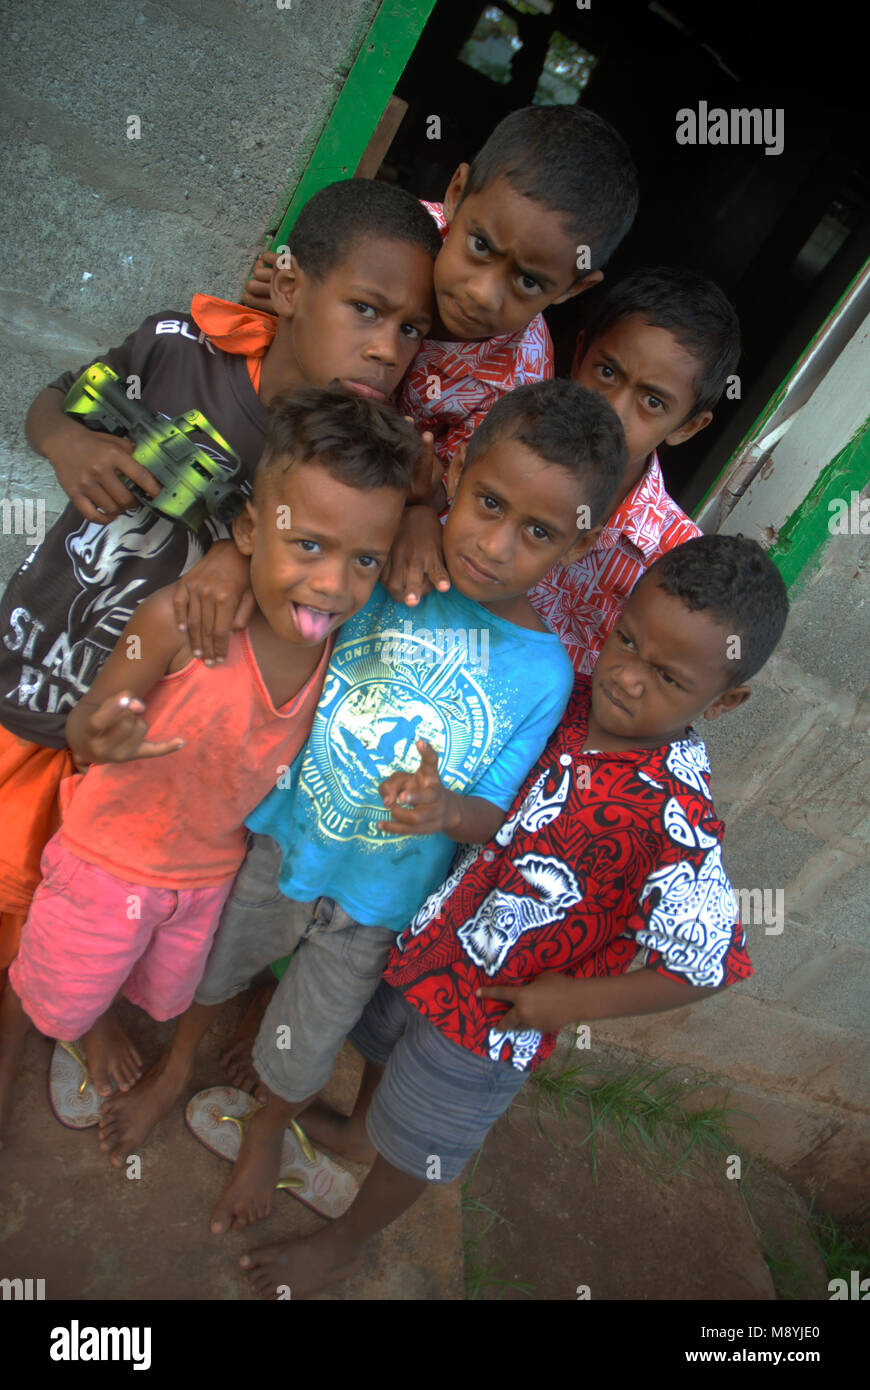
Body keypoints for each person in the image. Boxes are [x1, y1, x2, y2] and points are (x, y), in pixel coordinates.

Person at [96, 379, 626, 1227]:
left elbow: (496, 816)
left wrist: (445, 809)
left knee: (309, 1038)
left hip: (378, 899)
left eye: (536, 532)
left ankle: (270, 1128)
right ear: (452, 479)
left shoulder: (545, 672)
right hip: (284, 839)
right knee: (217, 967)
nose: (493, 543)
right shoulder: (386, 572)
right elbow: (300, 563)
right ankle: (174, 1070)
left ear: (576, 548)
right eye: (486, 503)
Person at [230, 533, 790, 1299]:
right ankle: (362, 1132)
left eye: (666, 676)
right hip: (432, 944)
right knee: (382, 1047)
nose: (627, 675)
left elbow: (707, 963)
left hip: (495, 1017)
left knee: (423, 1142)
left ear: (723, 701)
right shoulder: (572, 699)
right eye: (627, 640)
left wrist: (567, 1003)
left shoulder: (675, 815)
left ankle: (347, 1240)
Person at [0, 178, 439, 1127]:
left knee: (71, 881)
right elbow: (55, 399)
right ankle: (52, 1017)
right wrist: (64, 443)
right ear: (286, 287)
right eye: (367, 309)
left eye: (410, 331)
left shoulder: (336, 458)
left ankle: (75, 1017)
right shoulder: (177, 355)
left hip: (143, 726)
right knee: (24, 885)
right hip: (41, 663)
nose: (386, 346)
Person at [385, 266, 741, 678]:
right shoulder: (496, 429)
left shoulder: (671, 564)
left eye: (653, 402)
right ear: (580, 353)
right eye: (607, 372)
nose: (615, 408)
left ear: (688, 426)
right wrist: (417, 511)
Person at [244, 105, 639, 472]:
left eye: (529, 281)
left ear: (574, 288)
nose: (482, 292)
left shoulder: (519, 392)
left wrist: (420, 508)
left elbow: (451, 489)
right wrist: (303, 299)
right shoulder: (389, 238)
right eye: (480, 246)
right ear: (456, 194)